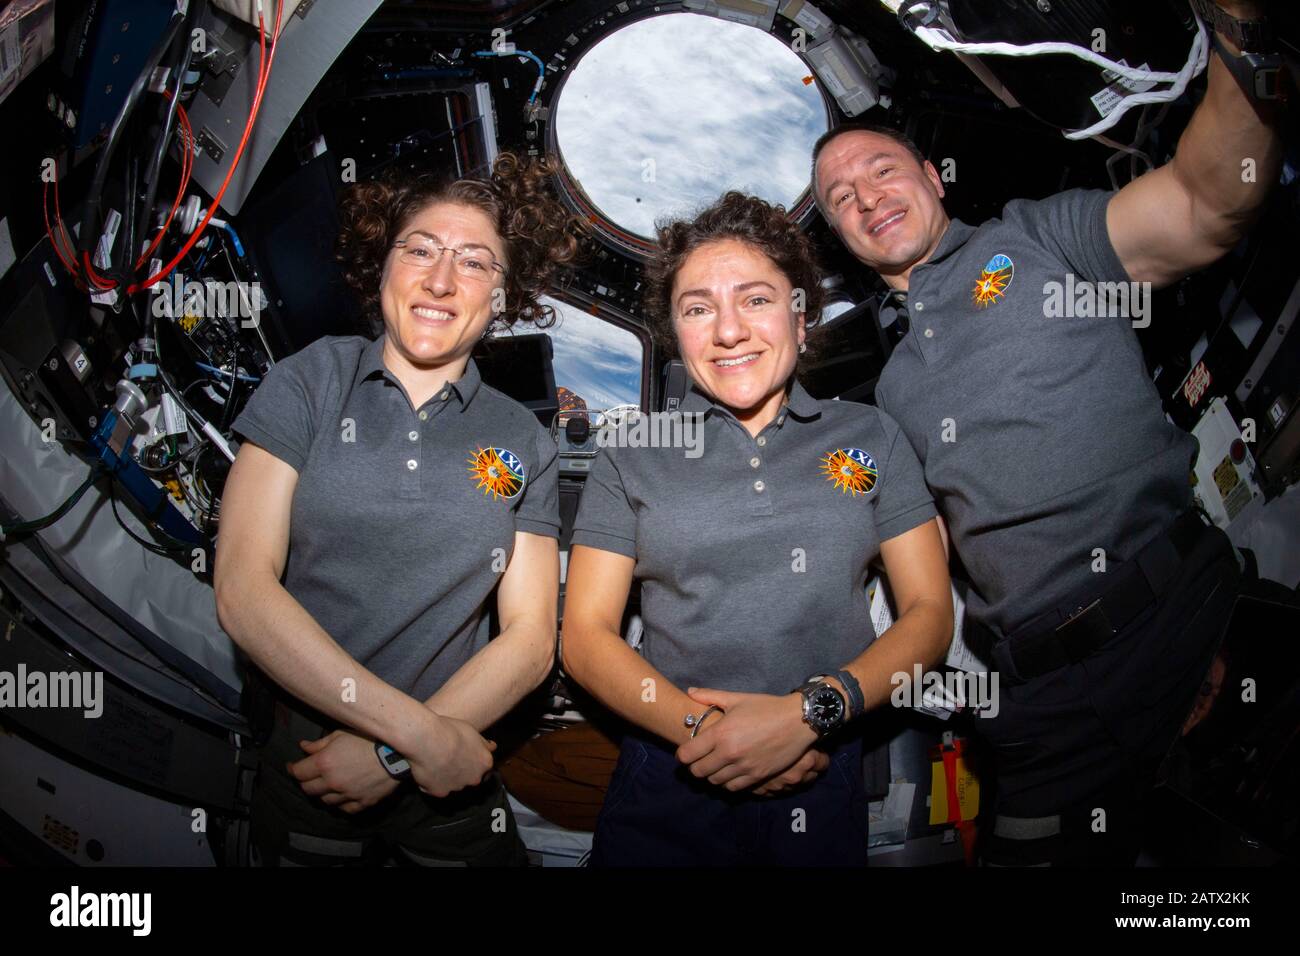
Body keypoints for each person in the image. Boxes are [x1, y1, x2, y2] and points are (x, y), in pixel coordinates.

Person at [811, 0, 1282, 865]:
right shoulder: (891, 393)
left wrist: (1244, 43)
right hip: (1038, 712)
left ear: (932, 175)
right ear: (839, 234)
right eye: (840, 197)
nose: (866, 198)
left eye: (880, 170)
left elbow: (1205, 202)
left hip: (1183, 620)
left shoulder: (1037, 238)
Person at [561, 192, 953, 866]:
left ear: (801, 321)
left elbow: (928, 615)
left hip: (821, 770)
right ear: (677, 334)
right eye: (697, 308)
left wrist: (807, 715)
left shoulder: (871, 437)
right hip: (668, 770)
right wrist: (711, 733)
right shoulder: (632, 453)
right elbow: (586, 640)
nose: (728, 330)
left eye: (755, 299)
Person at [214, 152, 581, 866]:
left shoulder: (520, 438)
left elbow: (530, 640)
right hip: (314, 754)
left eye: (475, 262)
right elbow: (243, 589)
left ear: (504, 297)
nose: (441, 279)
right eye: (419, 250)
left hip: (454, 755)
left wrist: (391, 753)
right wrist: (413, 738)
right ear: (381, 268)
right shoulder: (311, 379)